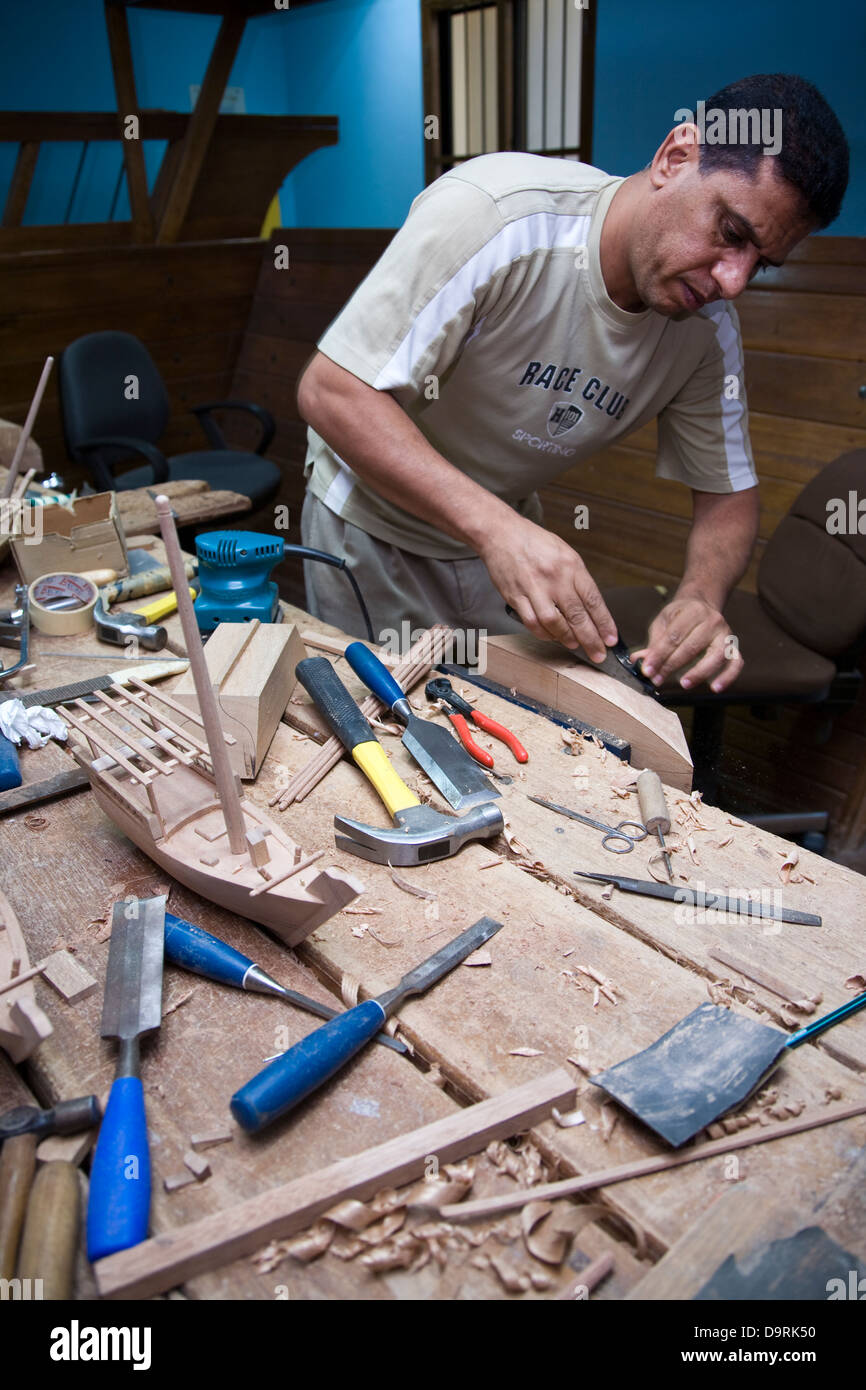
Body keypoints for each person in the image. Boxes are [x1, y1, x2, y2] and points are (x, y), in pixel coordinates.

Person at [297, 73, 848, 693]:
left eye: (761, 263)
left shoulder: (707, 330)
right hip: (372, 528)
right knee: (382, 731)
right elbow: (333, 391)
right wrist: (497, 528)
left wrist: (700, 596)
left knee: (506, 732)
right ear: (675, 157)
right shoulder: (498, 215)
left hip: (497, 538)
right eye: (731, 234)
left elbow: (728, 494)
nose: (734, 281)